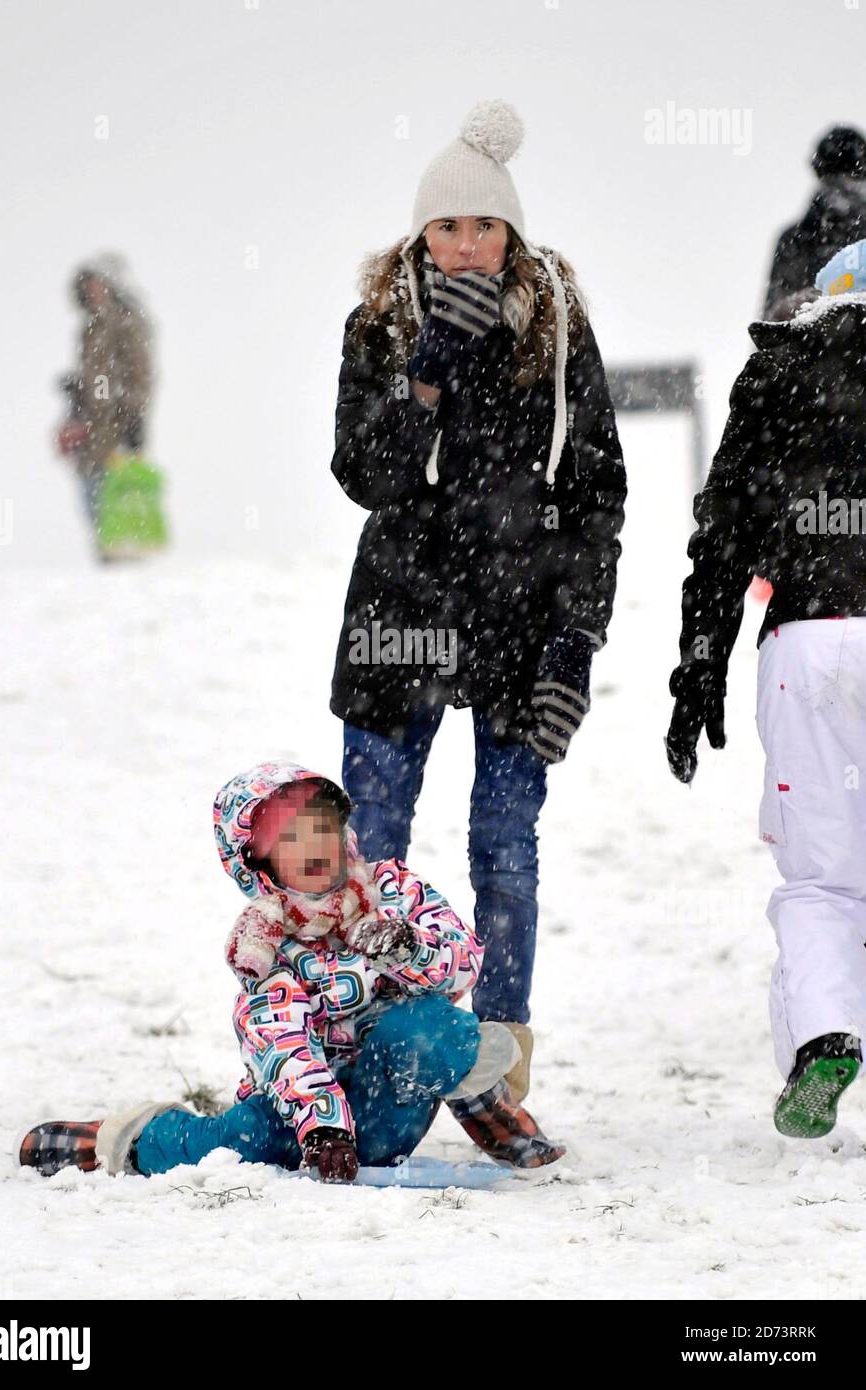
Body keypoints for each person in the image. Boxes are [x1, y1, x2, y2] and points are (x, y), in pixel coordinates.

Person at [329, 100, 626, 1101]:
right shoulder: (378, 327)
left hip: (517, 621)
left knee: (505, 844)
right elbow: (368, 478)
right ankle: (358, 1029)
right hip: (397, 615)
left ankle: (499, 1055)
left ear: (512, 234)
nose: (465, 245)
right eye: (447, 227)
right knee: (369, 839)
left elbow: (597, 500)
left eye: (484, 226)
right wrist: (426, 379)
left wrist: (573, 649)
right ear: (420, 235)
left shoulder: (556, 336)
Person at [17, 762, 564, 1182]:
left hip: (388, 1098)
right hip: (297, 1116)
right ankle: (118, 1142)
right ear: (257, 862)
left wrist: (407, 947)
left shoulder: (390, 890)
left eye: (322, 828)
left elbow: (464, 962)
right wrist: (323, 1125)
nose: (314, 848)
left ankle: (490, 1113)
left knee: (432, 1028)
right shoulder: (265, 947)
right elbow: (282, 1042)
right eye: (291, 839)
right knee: (237, 1143)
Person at [666, 238, 866, 1139]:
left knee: (822, 880)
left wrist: (697, 666)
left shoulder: (776, 374)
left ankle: (825, 1035)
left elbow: (722, 536)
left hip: (808, 642)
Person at [57, 252, 153, 556]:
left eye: (97, 283)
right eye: (89, 284)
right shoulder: (93, 325)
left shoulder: (126, 322)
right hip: (94, 424)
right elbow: (99, 376)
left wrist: (134, 413)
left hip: (117, 424)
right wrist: (78, 391)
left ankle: (125, 554)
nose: (92, 290)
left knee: (115, 493)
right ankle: (109, 551)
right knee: (91, 494)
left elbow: (138, 373)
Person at [763, 125, 866, 322]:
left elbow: (771, 327)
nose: (843, 190)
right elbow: (772, 324)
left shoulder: (796, 238)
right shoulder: (796, 240)